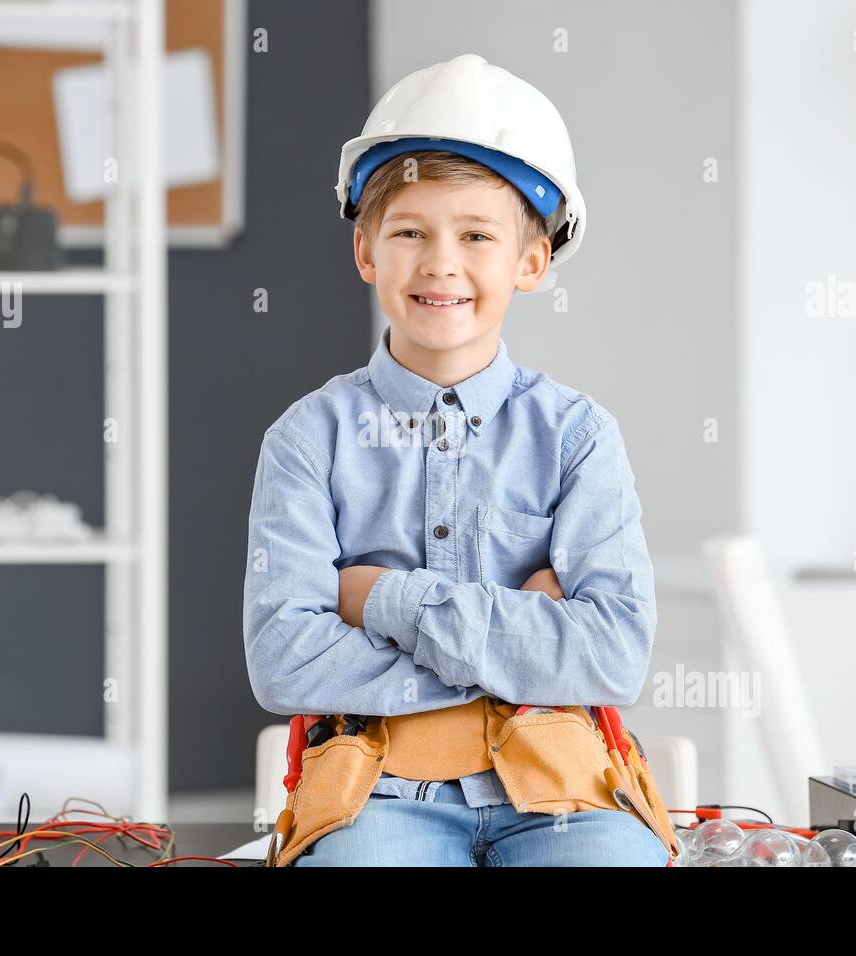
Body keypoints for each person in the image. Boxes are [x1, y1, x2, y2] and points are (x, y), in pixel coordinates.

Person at [243, 53, 668, 867]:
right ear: (367, 252)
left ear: (531, 262)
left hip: (562, 791)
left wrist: (384, 599)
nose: (441, 262)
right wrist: (530, 638)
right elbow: (284, 662)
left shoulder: (578, 437)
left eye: (477, 235)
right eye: (410, 232)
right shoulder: (307, 440)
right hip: (374, 799)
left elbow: (612, 658)